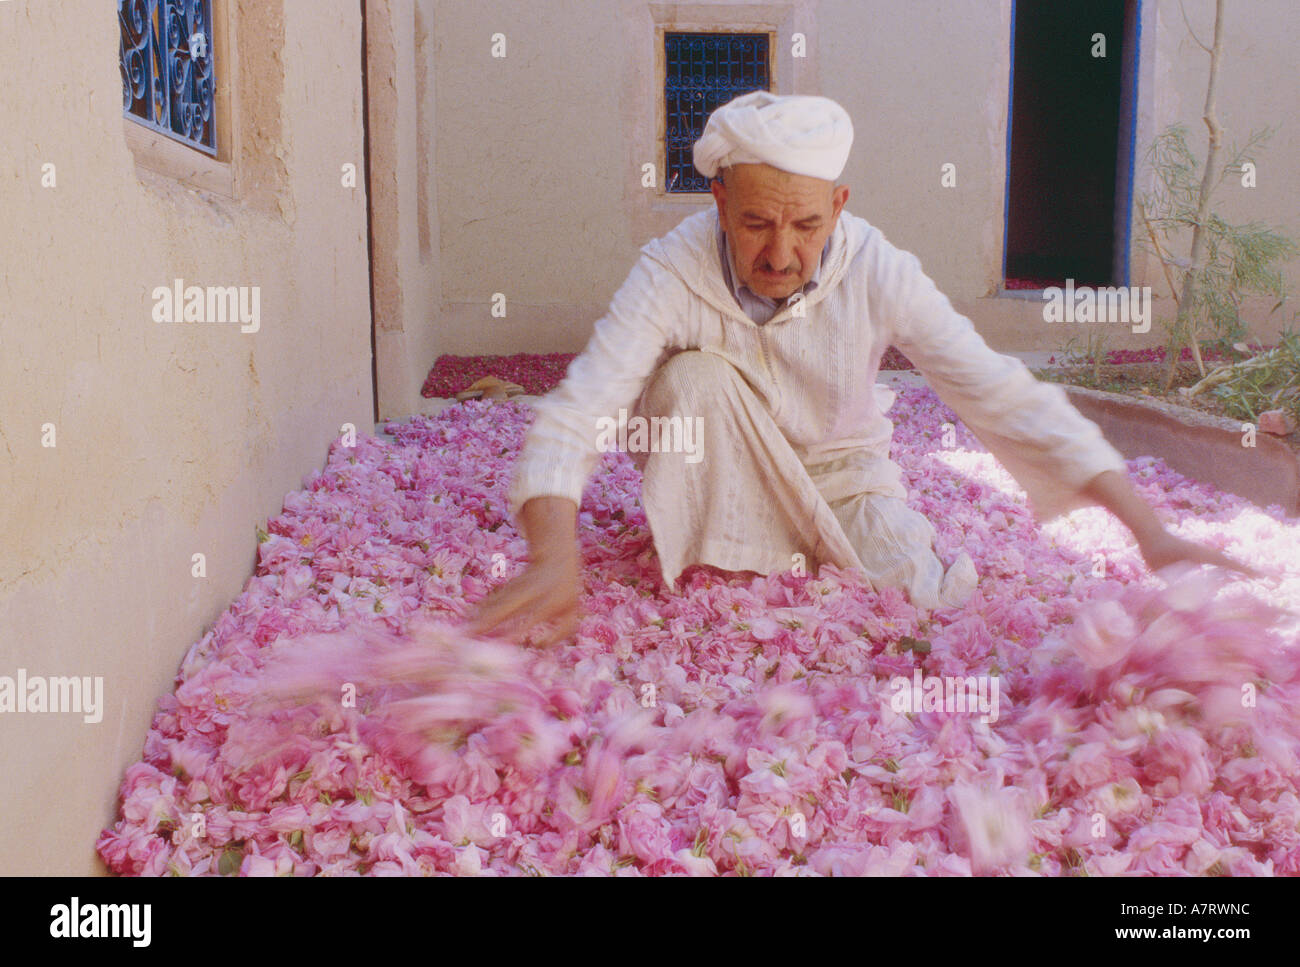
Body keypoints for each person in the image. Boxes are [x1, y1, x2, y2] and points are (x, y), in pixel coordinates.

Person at [470, 91, 1256, 646]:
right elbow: (587, 401)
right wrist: (554, 556)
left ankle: (789, 559)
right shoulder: (671, 268)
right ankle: (733, 559)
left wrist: (1149, 529)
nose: (781, 253)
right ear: (718, 201)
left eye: (807, 224)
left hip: (845, 478)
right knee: (690, 380)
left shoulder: (880, 268)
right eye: (756, 222)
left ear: (840, 205)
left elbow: (994, 389)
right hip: (723, 471)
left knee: (917, 589)